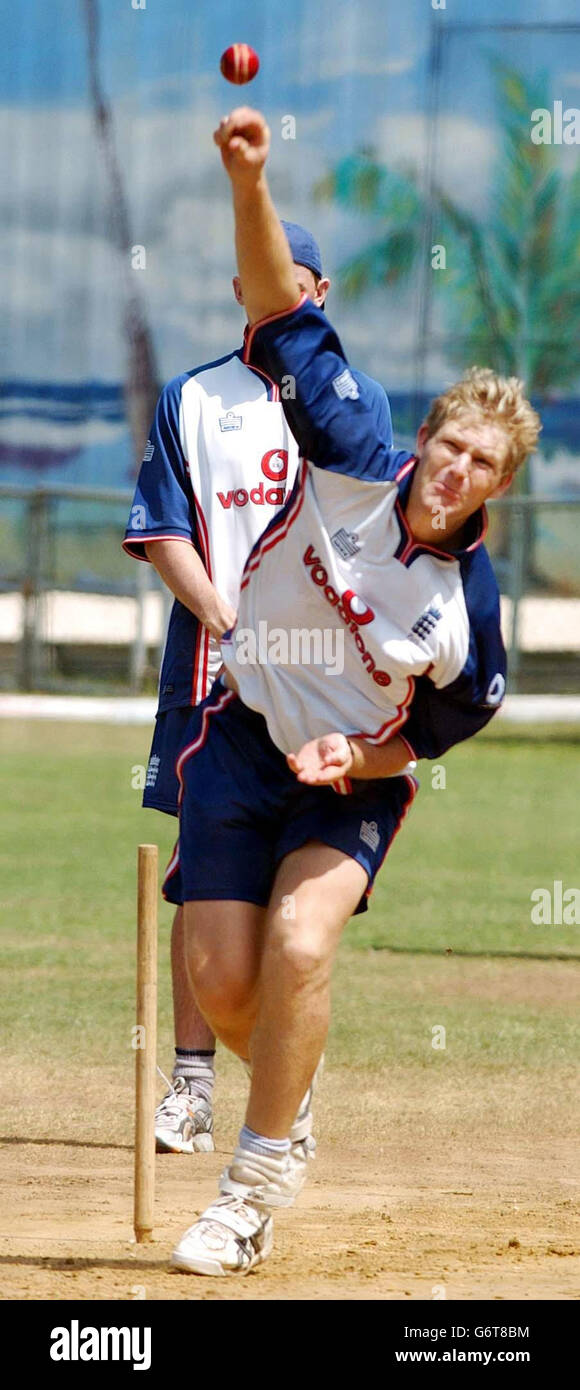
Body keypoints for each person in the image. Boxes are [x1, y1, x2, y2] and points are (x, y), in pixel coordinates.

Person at [167, 106, 541, 1277]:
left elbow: (425, 743)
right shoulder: (345, 448)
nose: (455, 470)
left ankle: (253, 1186)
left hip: (345, 790)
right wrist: (251, 177)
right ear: (421, 437)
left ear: (499, 486)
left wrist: (357, 763)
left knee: (298, 936)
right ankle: (292, 1087)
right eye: (448, 445)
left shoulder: (467, 621)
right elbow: (281, 305)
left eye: (482, 464)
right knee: (224, 985)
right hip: (240, 738)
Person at [123, 223, 393, 1157]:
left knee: (298, 901)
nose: (284, 295)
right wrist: (228, 620)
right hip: (214, 676)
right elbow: (163, 529)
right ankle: (193, 1088)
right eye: (268, 280)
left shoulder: (355, 404)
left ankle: (279, 1083)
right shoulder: (193, 396)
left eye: (301, 282)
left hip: (322, 695)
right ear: (246, 286)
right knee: (198, 880)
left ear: (323, 291)